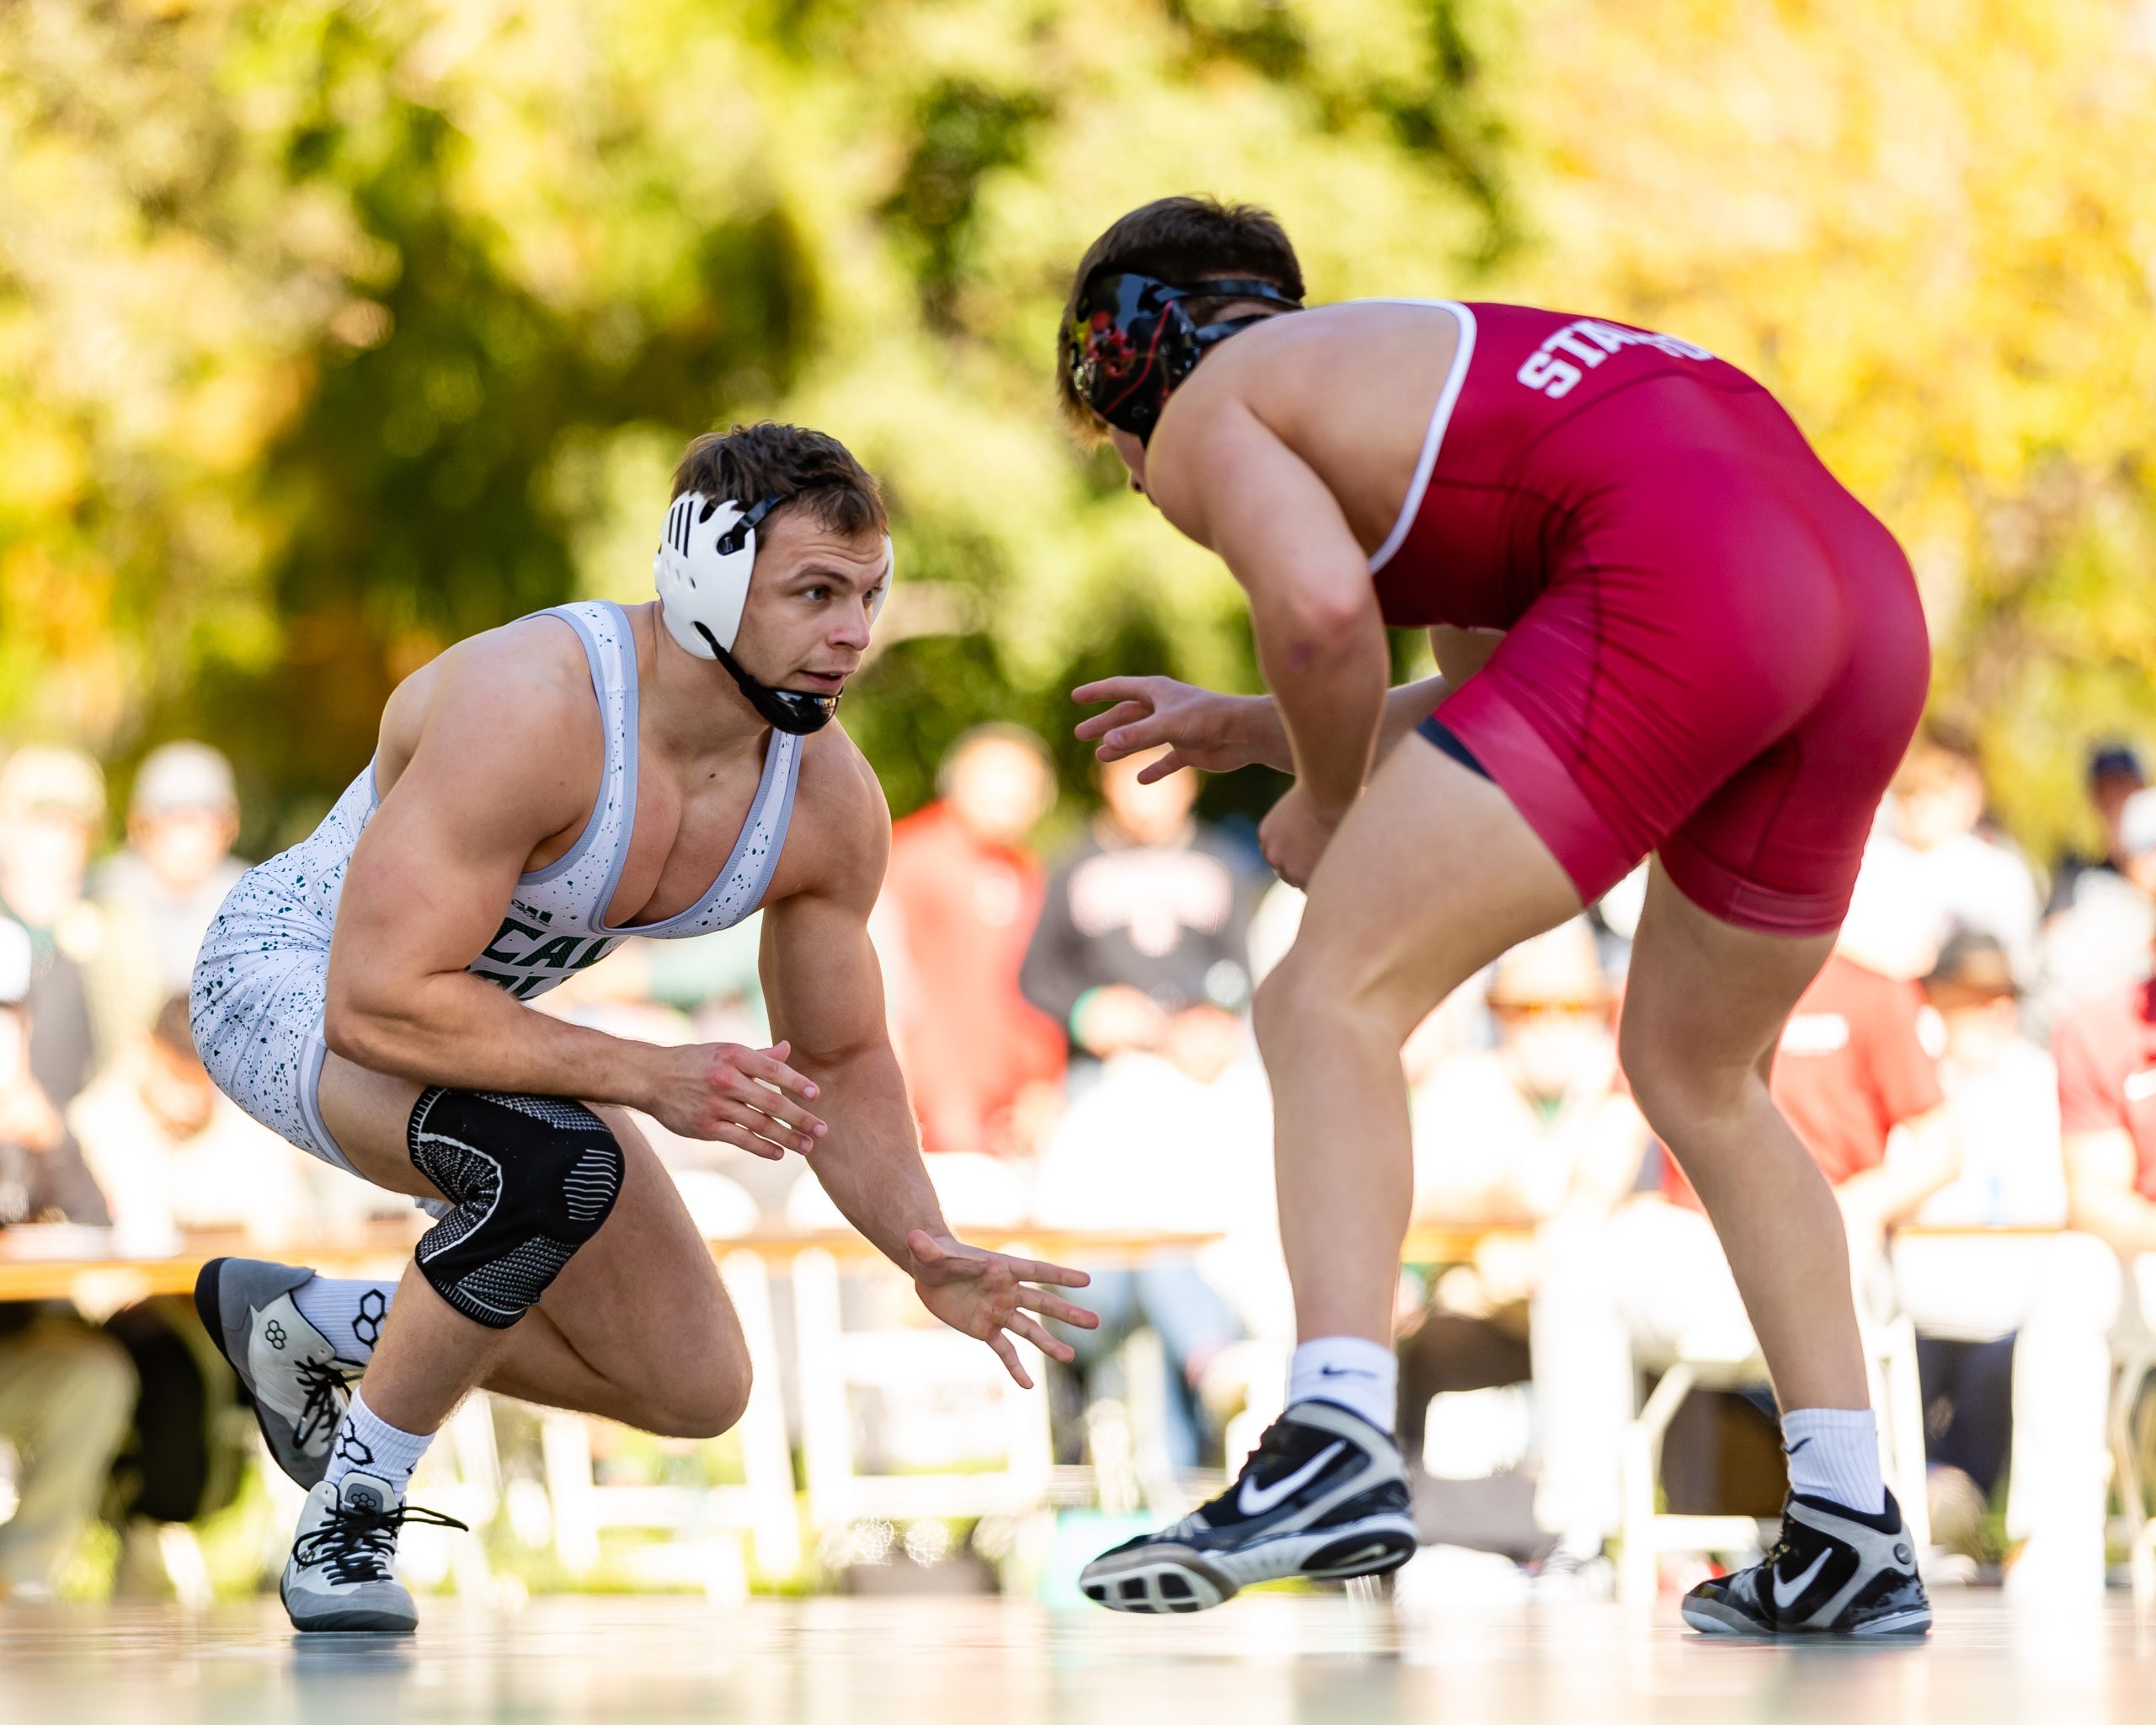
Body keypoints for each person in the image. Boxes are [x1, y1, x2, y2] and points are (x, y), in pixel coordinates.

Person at [1056, 195, 1934, 1633]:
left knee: (1319, 995)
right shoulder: (1427, 388)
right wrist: (1265, 729)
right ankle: (1850, 1522)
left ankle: (1335, 1433)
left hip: (1689, 575)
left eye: (1116, 457)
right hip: (1850, 595)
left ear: (1125, 370)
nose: (1144, 488)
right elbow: (1503, 691)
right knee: (1699, 1077)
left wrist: (1332, 806)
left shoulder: (1217, 403)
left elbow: (1328, 611)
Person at [187, 423, 1095, 1632]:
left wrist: (924, 1246)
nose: (853, 635)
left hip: (474, 1027)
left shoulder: (826, 800)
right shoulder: (536, 703)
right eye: (815, 593)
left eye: (868, 596)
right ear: (707, 574)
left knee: (694, 1384)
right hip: (295, 984)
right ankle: (352, 1515)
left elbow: (840, 1059)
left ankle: (315, 1322)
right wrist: (649, 1073)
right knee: (554, 1161)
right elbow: (377, 998)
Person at [2014, 787, 2156, 1597]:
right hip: (2145, 1254)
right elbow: (2094, 1195)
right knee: (2071, 1267)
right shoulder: (2099, 1027)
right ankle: (2057, 1540)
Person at [0, 917, 137, 1596]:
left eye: (10, 1021)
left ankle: (21, 1573)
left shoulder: (31, 1117)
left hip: (14, 1351)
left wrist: (48, 1134)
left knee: (97, 1376)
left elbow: (98, 1225)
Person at [1019, 745, 1266, 1081]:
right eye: (1134, 778)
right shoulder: (1071, 867)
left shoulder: (1223, 864)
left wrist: (1214, 1015)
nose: (1148, 794)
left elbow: (1241, 969)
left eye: (1164, 777)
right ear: (1104, 781)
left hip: (1202, 1072)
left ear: (1190, 783)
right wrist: (1084, 1009)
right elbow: (1038, 975)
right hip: (1100, 1073)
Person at [880, 725, 1065, 1158]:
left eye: (1026, 784)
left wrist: (1042, 1080)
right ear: (959, 780)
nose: (1013, 795)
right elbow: (882, 978)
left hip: (1010, 1097)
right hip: (932, 1091)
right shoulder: (908, 857)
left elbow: (1036, 988)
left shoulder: (1028, 870)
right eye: (999, 777)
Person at [92, 741, 248, 1047]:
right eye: (173, 819)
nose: (186, 838)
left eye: (202, 819)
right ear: (140, 824)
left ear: (229, 825)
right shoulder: (103, 894)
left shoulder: (253, 899)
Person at [0, 746, 107, 1109]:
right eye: (43, 824)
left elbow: (129, 1051)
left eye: (73, 827)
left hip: (83, 1137)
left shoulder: (113, 924)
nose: (58, 845)